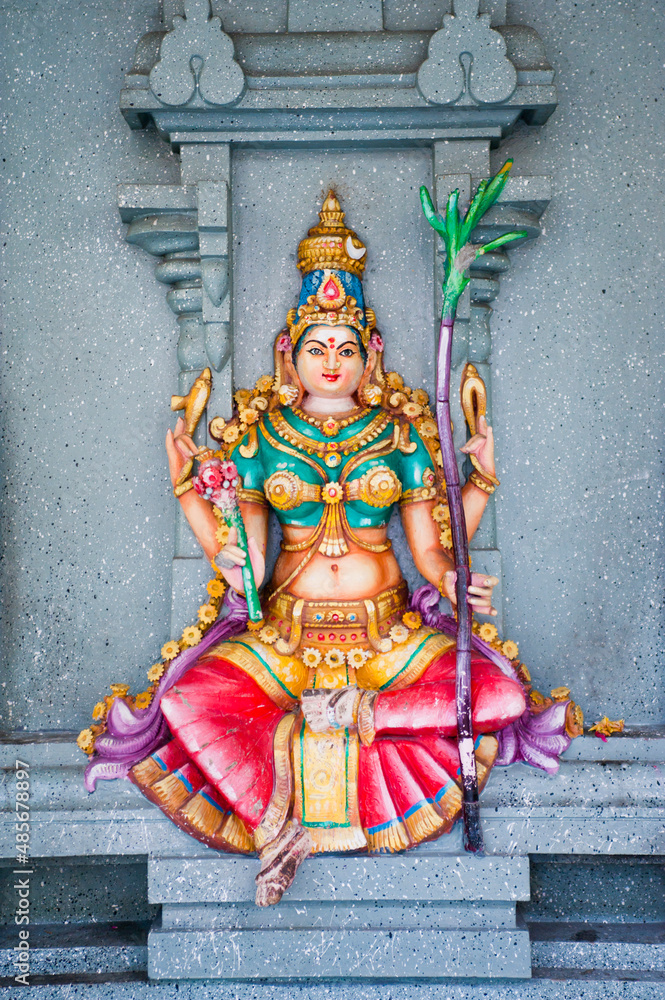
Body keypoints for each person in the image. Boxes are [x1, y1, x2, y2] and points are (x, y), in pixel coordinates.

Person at [134, 192, 526, 906]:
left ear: (370, 352)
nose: (331, 361)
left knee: (498, 692)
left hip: (384, 635)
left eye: (346, 347)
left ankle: (360, 717)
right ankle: (282, 823)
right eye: (316, 347)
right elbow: (242, 564)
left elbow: (431, 554)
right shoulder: (259, 442)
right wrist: (192, 491)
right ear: (289, 353)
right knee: (188, 699)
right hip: (286, 633)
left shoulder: (399, 436)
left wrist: (472, 510)